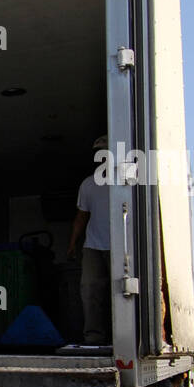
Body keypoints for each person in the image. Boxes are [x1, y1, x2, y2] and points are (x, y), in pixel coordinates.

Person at [68, 135, 112, 345]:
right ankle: (94, 338)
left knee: (122, 294)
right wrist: (72, 244)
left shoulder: (127, 181)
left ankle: (123, 336)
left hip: (121, 247)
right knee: (90, 291)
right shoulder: (88, 185)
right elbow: (81, 217)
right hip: (93, 246)